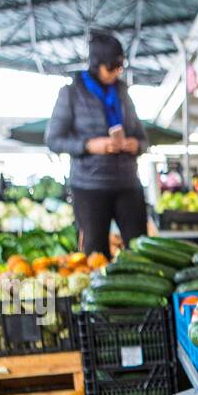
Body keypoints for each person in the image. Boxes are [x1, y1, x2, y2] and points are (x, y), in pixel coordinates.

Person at [45, 30, 149, 256]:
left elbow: (143, 139)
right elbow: (53, 140)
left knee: (141, 249)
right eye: (111, 66)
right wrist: (89, 145)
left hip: (128, 184)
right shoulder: (71, 93)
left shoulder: (123, 93)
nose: (116, 72)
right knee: (95, 253)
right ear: (96, 64)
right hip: (90, 188)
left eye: (120, 66)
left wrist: (135, 144)